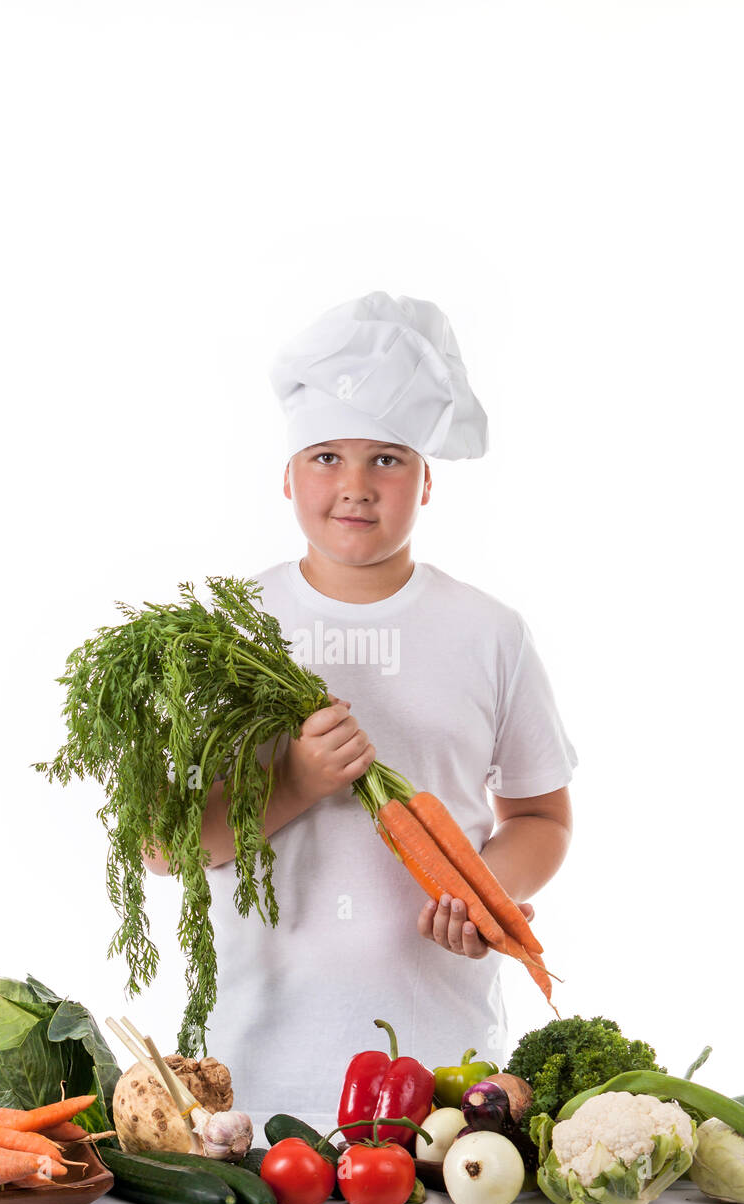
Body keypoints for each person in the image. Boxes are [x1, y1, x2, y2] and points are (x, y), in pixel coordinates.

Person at [143, 290, 577, 1124]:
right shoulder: (229, 631)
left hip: (445, 1067)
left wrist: (490, 895)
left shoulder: (490, 632)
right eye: (325, 457)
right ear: (285, 477)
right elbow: (164, 843)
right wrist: (298, 782)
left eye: (386, 459)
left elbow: (542, 818)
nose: (355, 486)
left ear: (426, 480)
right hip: (258, 1065)